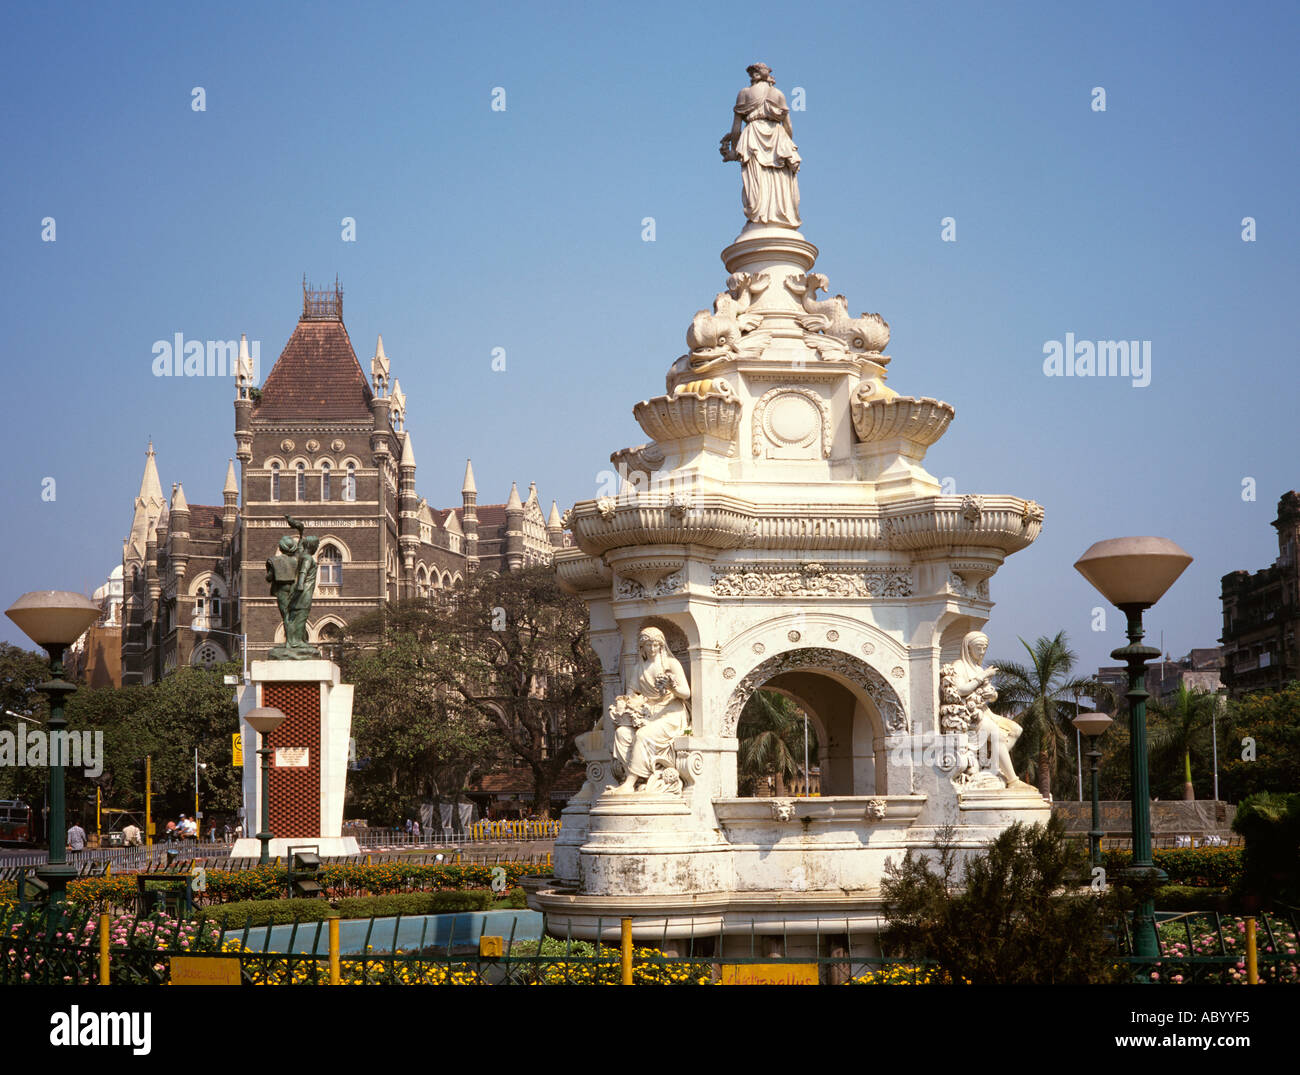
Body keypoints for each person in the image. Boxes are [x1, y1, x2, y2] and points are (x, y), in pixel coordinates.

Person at [609, 627, 691, 794]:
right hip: (648, 714)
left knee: (642, 735)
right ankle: (641, 779)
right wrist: (625, 705)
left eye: (655, 645)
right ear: (642, 647)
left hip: (671, 713)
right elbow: (631, 694)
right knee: (622, 733)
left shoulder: (671, 664)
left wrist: (671, 687)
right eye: (648, 645)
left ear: (661, 645)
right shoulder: (639, 668)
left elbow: (686, 693)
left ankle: (629, 784)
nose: (652, 649)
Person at [719, 63, 801, 227]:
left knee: (757, 182)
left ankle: (760, 216)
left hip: (753, 136)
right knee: (779, 180)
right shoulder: (778, 94)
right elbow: (789, 127)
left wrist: (734, 151)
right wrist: (786, 145)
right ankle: (780, 216)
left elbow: (736, 129)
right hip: (778, 137)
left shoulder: (744, 94)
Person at [949, 631, 1031, 790]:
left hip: (985, 711)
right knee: (995, 733)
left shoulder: (978, 668)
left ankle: (992, 765)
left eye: (984, 649)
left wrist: (992, 695)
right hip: (970, 715)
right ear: (968, 648)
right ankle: (1013, 780)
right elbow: (960, 690)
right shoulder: (958, 666)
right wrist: (983, 677)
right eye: (978, 648)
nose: (981, 652)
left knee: (1015, 729)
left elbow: (990, 694)